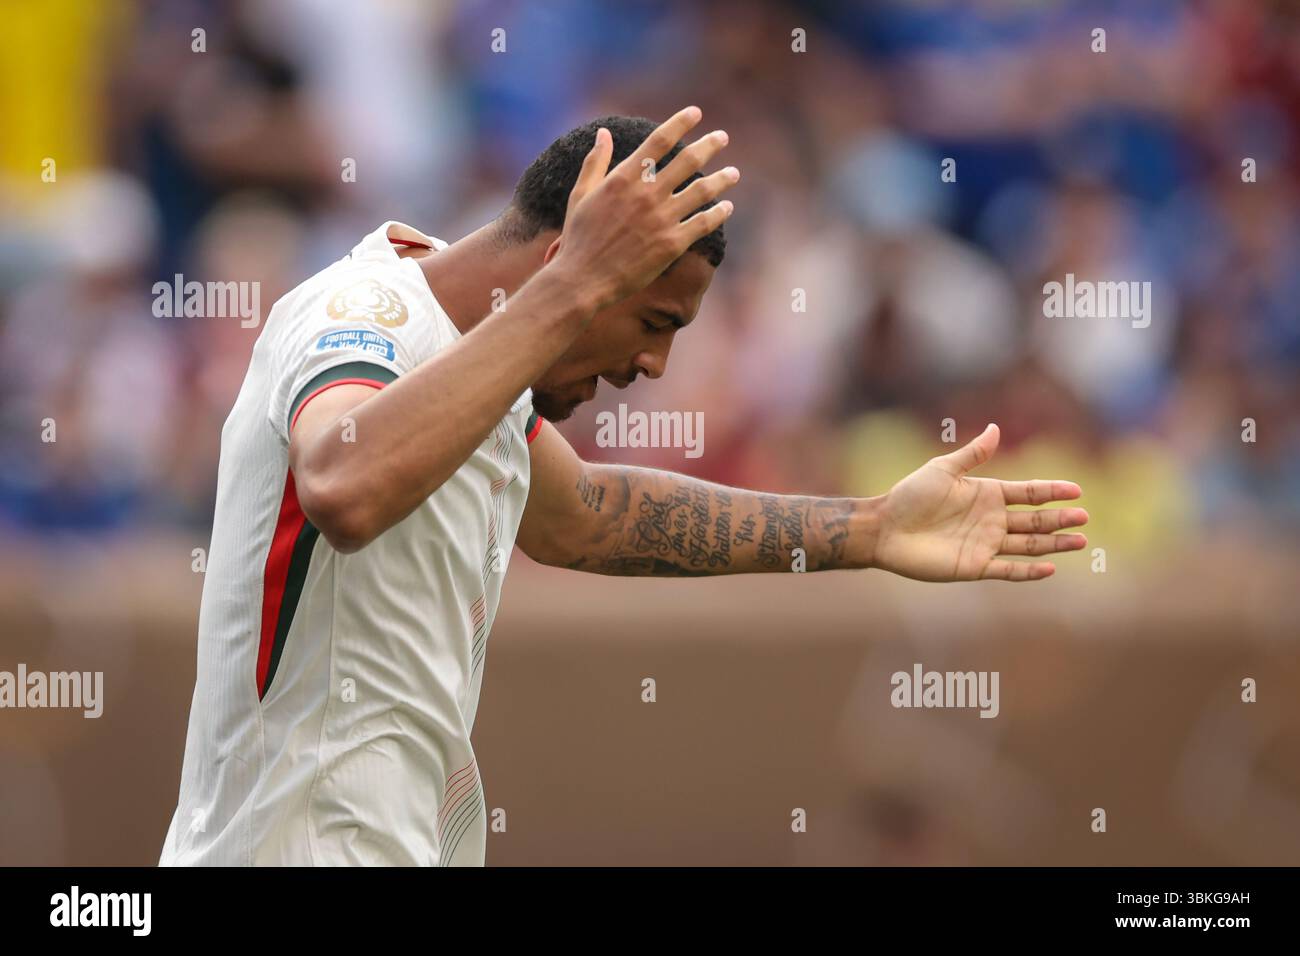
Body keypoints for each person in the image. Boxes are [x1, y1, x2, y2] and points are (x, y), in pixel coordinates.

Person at [160, 107, 1088, 866]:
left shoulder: (471, 373)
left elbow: (591, 517)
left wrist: (872, 528)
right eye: (651, 318)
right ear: (569, 258)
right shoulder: (361, 312)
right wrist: (571, 288)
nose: (652, 363)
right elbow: (343, 483)